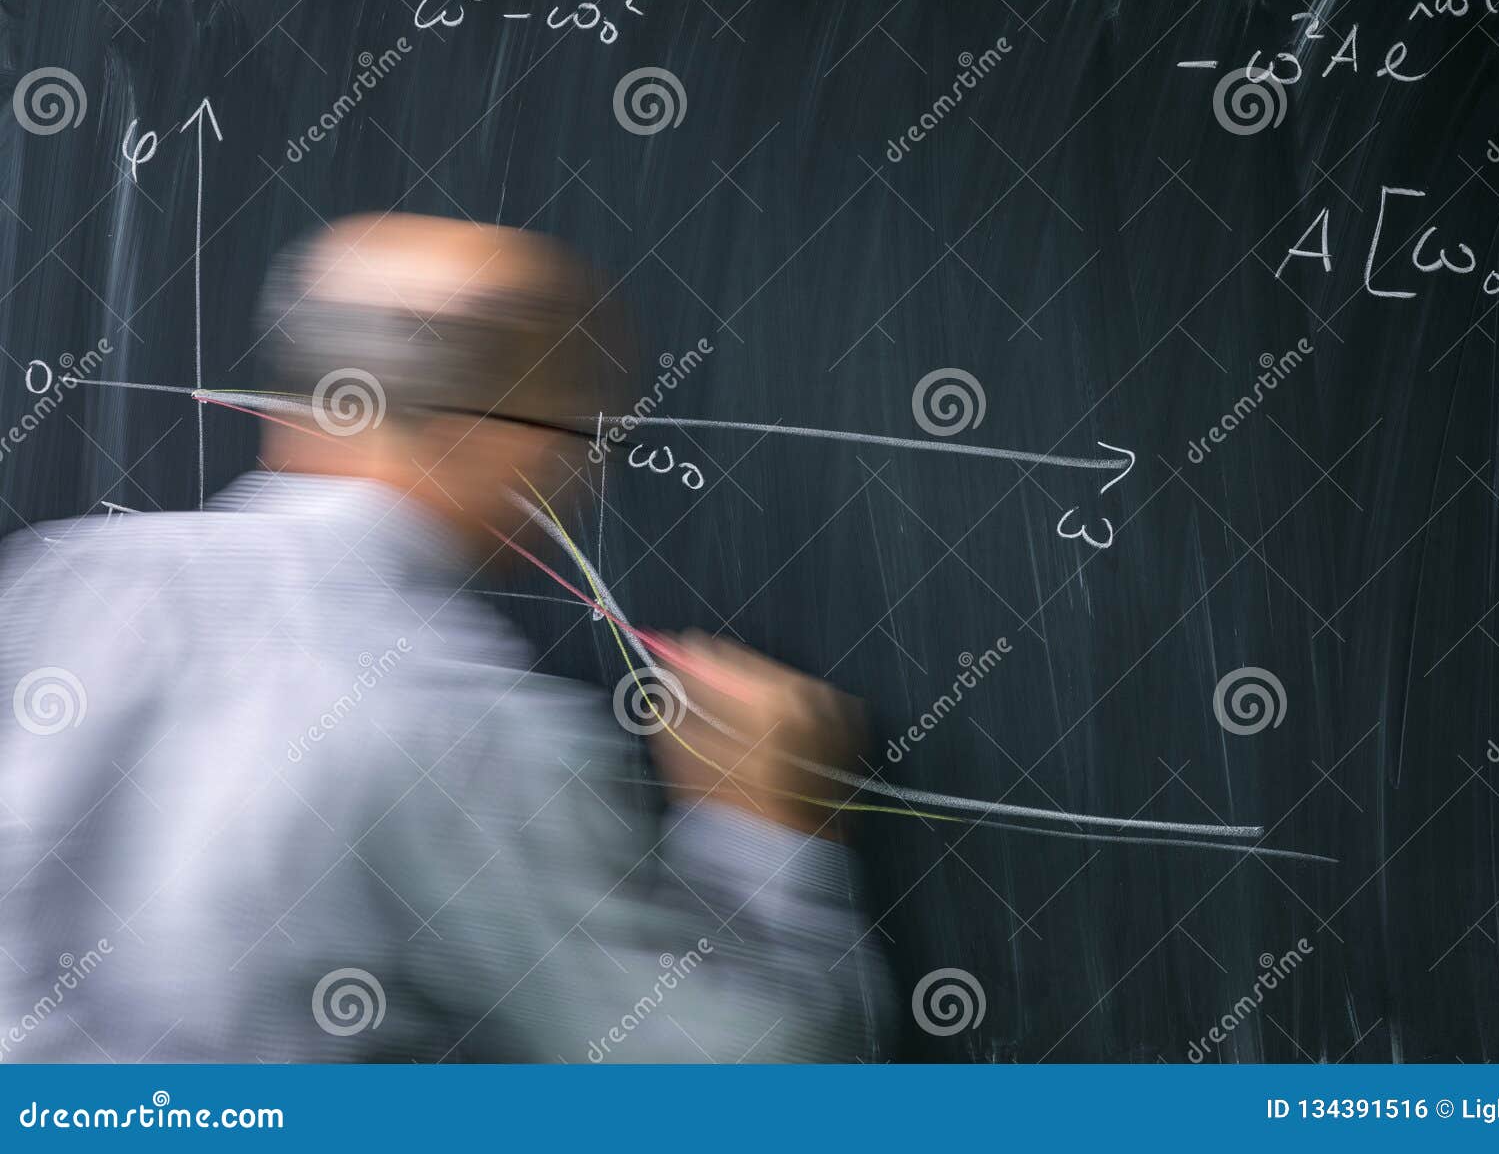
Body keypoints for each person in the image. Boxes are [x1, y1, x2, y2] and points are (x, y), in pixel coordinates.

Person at [0, 215, 892, 1062]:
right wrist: (764, 829)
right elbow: (722, 1079)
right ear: (509, 434)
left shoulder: (63, 580)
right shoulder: (459, 723)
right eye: (581, 429)